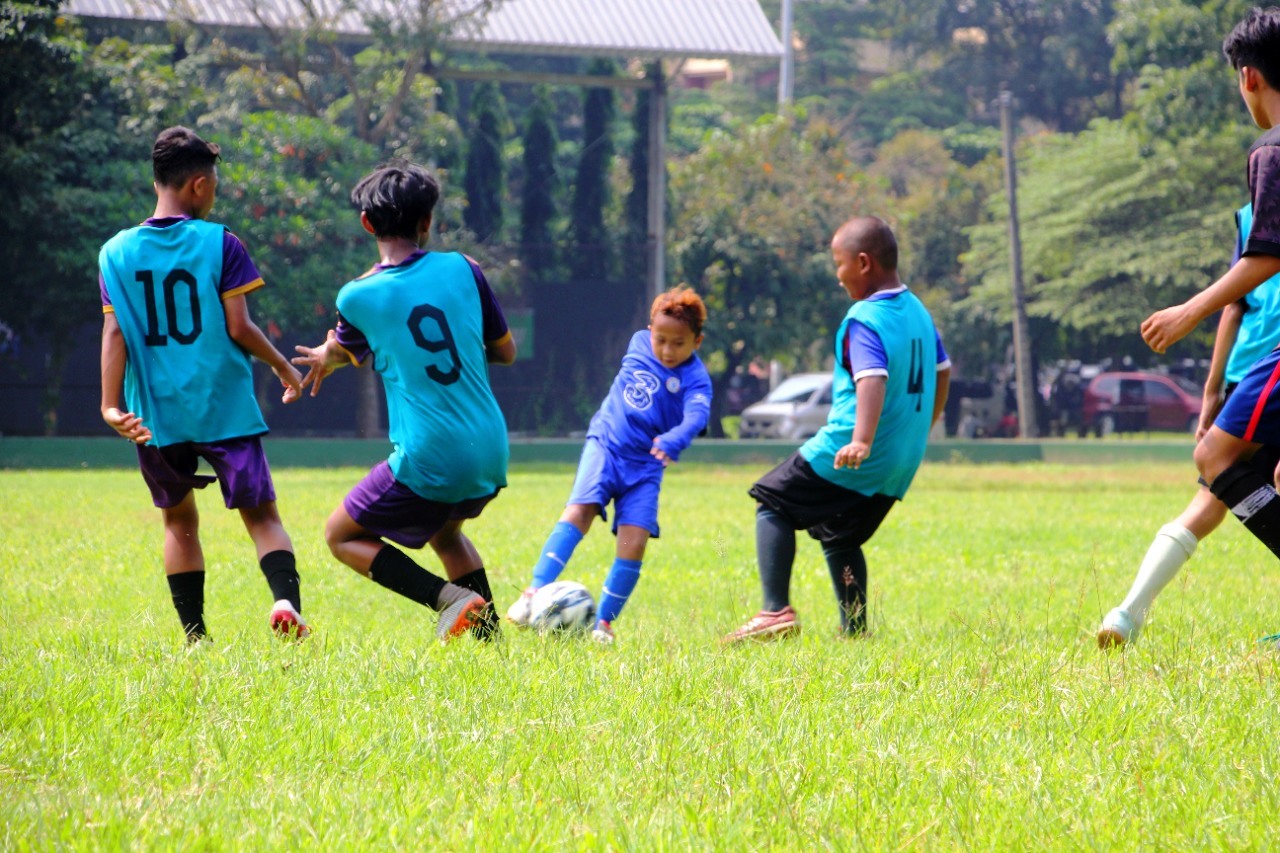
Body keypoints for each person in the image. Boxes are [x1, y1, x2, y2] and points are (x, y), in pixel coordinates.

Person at [98, 126, 308, 643]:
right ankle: (286, 603)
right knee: (262, 517)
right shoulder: (221, 244)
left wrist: (110, 405)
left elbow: (114, 333)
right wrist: (282, 365)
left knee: (179, 522)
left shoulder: (115, 254)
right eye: (213, 183)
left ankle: (195, 637)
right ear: (197, 185)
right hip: (224, 408)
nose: (215, 193)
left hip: (155, 416)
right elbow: (239, 327)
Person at [291, 161, 515, 642]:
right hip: (490, 447)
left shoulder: (359, 296)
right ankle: (490, 643)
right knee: (446, 533)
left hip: (431, 455)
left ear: (367, 224)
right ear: (427, 222)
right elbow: (505, 351)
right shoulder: (464, 269)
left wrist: (323, 358)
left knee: (340, 535)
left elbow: (346, 349)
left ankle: (448, 599)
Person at [724, 216, 950, 643]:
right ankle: (856, 631)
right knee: (840, 533)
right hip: (901, 460)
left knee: (772, 500)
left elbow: (871, 378)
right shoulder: (919, 312)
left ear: (863, 263)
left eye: (839, 263)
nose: (837, 274)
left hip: (855, 447)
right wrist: (927, 425)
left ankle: (774, 611)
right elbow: (944, 370)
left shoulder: (865, 316)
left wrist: (860, 439)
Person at [1139, 8, 1280, 584]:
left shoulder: (1272, 150)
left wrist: (1188, 311)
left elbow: (1267, 254)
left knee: (1215, 459)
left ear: (1248, 77)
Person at [1100, 202, 1280, 647]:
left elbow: (1235, 306)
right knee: (1215, 486)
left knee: (1209, 497)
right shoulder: (1247, 212)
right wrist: (1210, 388)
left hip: (1254, 370)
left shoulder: (1251, 208)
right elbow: (1236, 304)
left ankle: (1128, 611)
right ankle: (1127, 612)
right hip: (1261, 371)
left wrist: (1213, 387)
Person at [506, 287, 712, 645]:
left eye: (678, 343)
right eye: (660, 339)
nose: (666, 350)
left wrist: (676, 436)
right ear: (649, 331)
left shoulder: (696, 379)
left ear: (697, 341)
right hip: (607, 446)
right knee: (580, 511)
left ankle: (603, 624)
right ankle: (531, 595)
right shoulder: (637, 344)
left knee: (634, 542)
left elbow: (698, 415)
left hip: (646, 467)